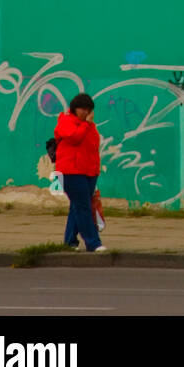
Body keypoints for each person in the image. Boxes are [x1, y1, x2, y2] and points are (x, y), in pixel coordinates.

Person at [54, 94, 107, 252]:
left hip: (88, 172)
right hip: (71, 171)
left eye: (88, 110)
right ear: (74, 108)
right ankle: (93, 243)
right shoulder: (66, 121)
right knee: (83, 208)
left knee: (77, 207)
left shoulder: (90, 126)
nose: (85, 112)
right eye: (82, 109)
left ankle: (70, 241)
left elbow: (92, 147)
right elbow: (74, 138)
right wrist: (86, 125)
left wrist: (95, 170)